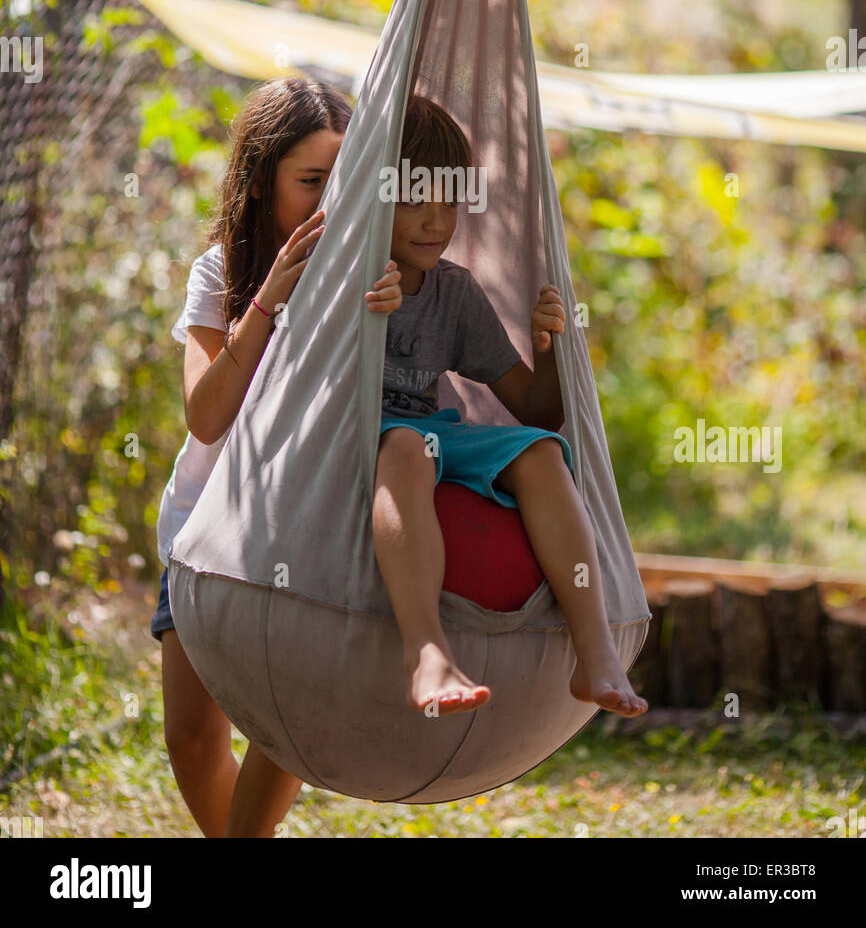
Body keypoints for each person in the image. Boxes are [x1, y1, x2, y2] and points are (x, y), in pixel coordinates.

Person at [151, 76, 401, 837]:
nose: (328, 201)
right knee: (191, 742)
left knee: (279, 726)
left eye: (343, 178)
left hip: (302, 535)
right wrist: (268, 304)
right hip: (204, 528)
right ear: (262, 184)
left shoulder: (373, 275)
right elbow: (206, 416)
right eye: (310, 181)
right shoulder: (220, 274)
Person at [372, 95, 648, 721]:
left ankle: (595, 651)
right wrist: (356, 307)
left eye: (450, 202)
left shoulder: (455, 292)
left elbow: (535, 410)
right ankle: (427, 654)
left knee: (542, 452)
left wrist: (548, 351)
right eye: (416, 200)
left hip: (433, 432)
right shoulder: (343, 274)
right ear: (375, 192)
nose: (436, 222)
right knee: (408, 445)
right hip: (364, 437)